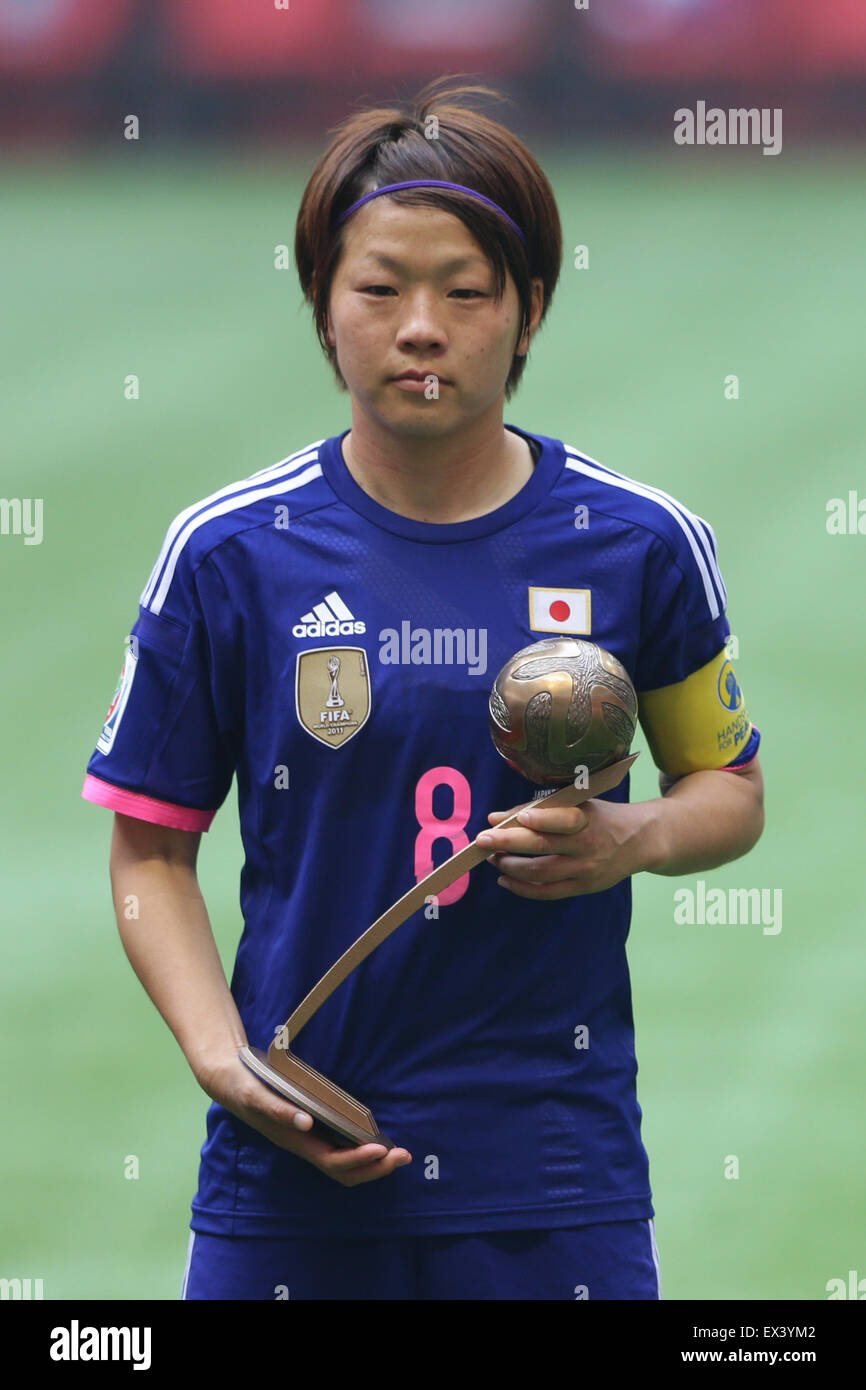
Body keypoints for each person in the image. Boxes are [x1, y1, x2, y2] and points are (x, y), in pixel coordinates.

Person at [81, 79, 764, 1301]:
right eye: (379, 287)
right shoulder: (230, 551)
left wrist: (634, 835)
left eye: (464, 290)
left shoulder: (640, 544)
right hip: (291, 1156)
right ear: (321, 308)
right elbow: (149, 853)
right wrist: (220, 1057)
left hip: (553, 1175)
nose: (419, 326)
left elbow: (729, 788)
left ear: (528, 309)